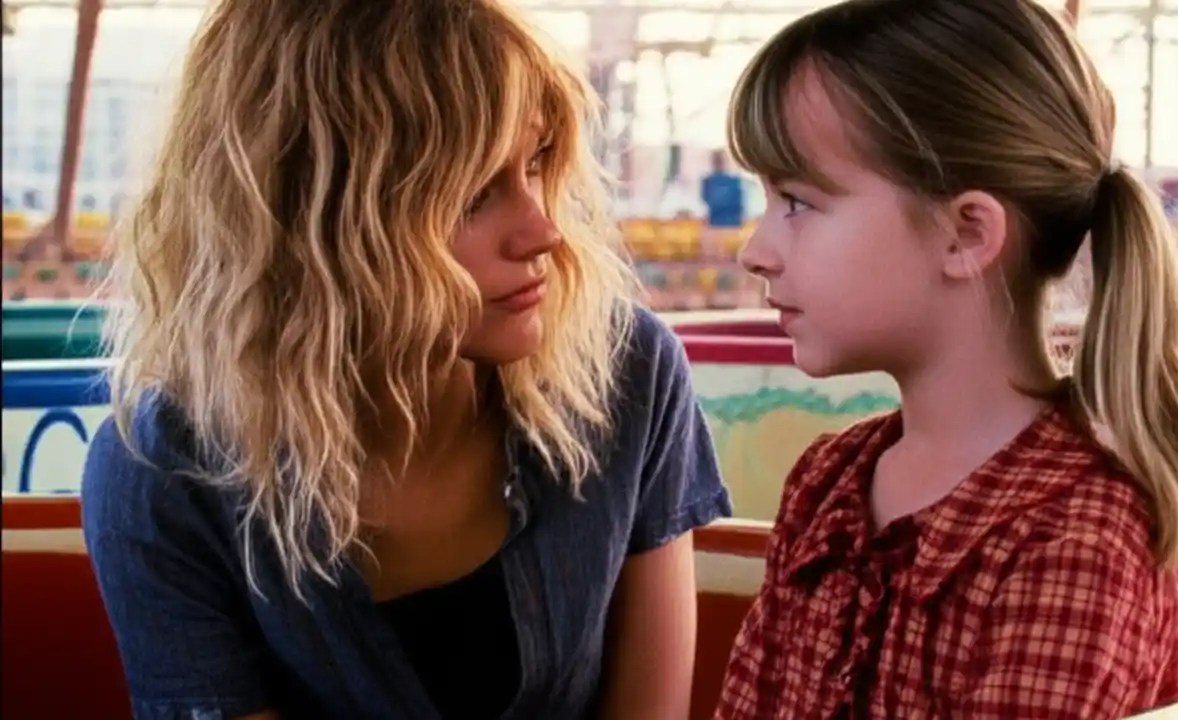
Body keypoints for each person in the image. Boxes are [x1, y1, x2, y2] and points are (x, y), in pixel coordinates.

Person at [81, 1, 730, 719]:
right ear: (311, 216)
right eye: (473, 193)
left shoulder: (628, 372)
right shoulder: (164, 470)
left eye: (539, 162)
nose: (542, 231)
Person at [714, 1, 1178, 718]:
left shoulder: (1073, 537)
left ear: (968, 233)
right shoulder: (828, 483)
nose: (756, 251)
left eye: (797, 202)